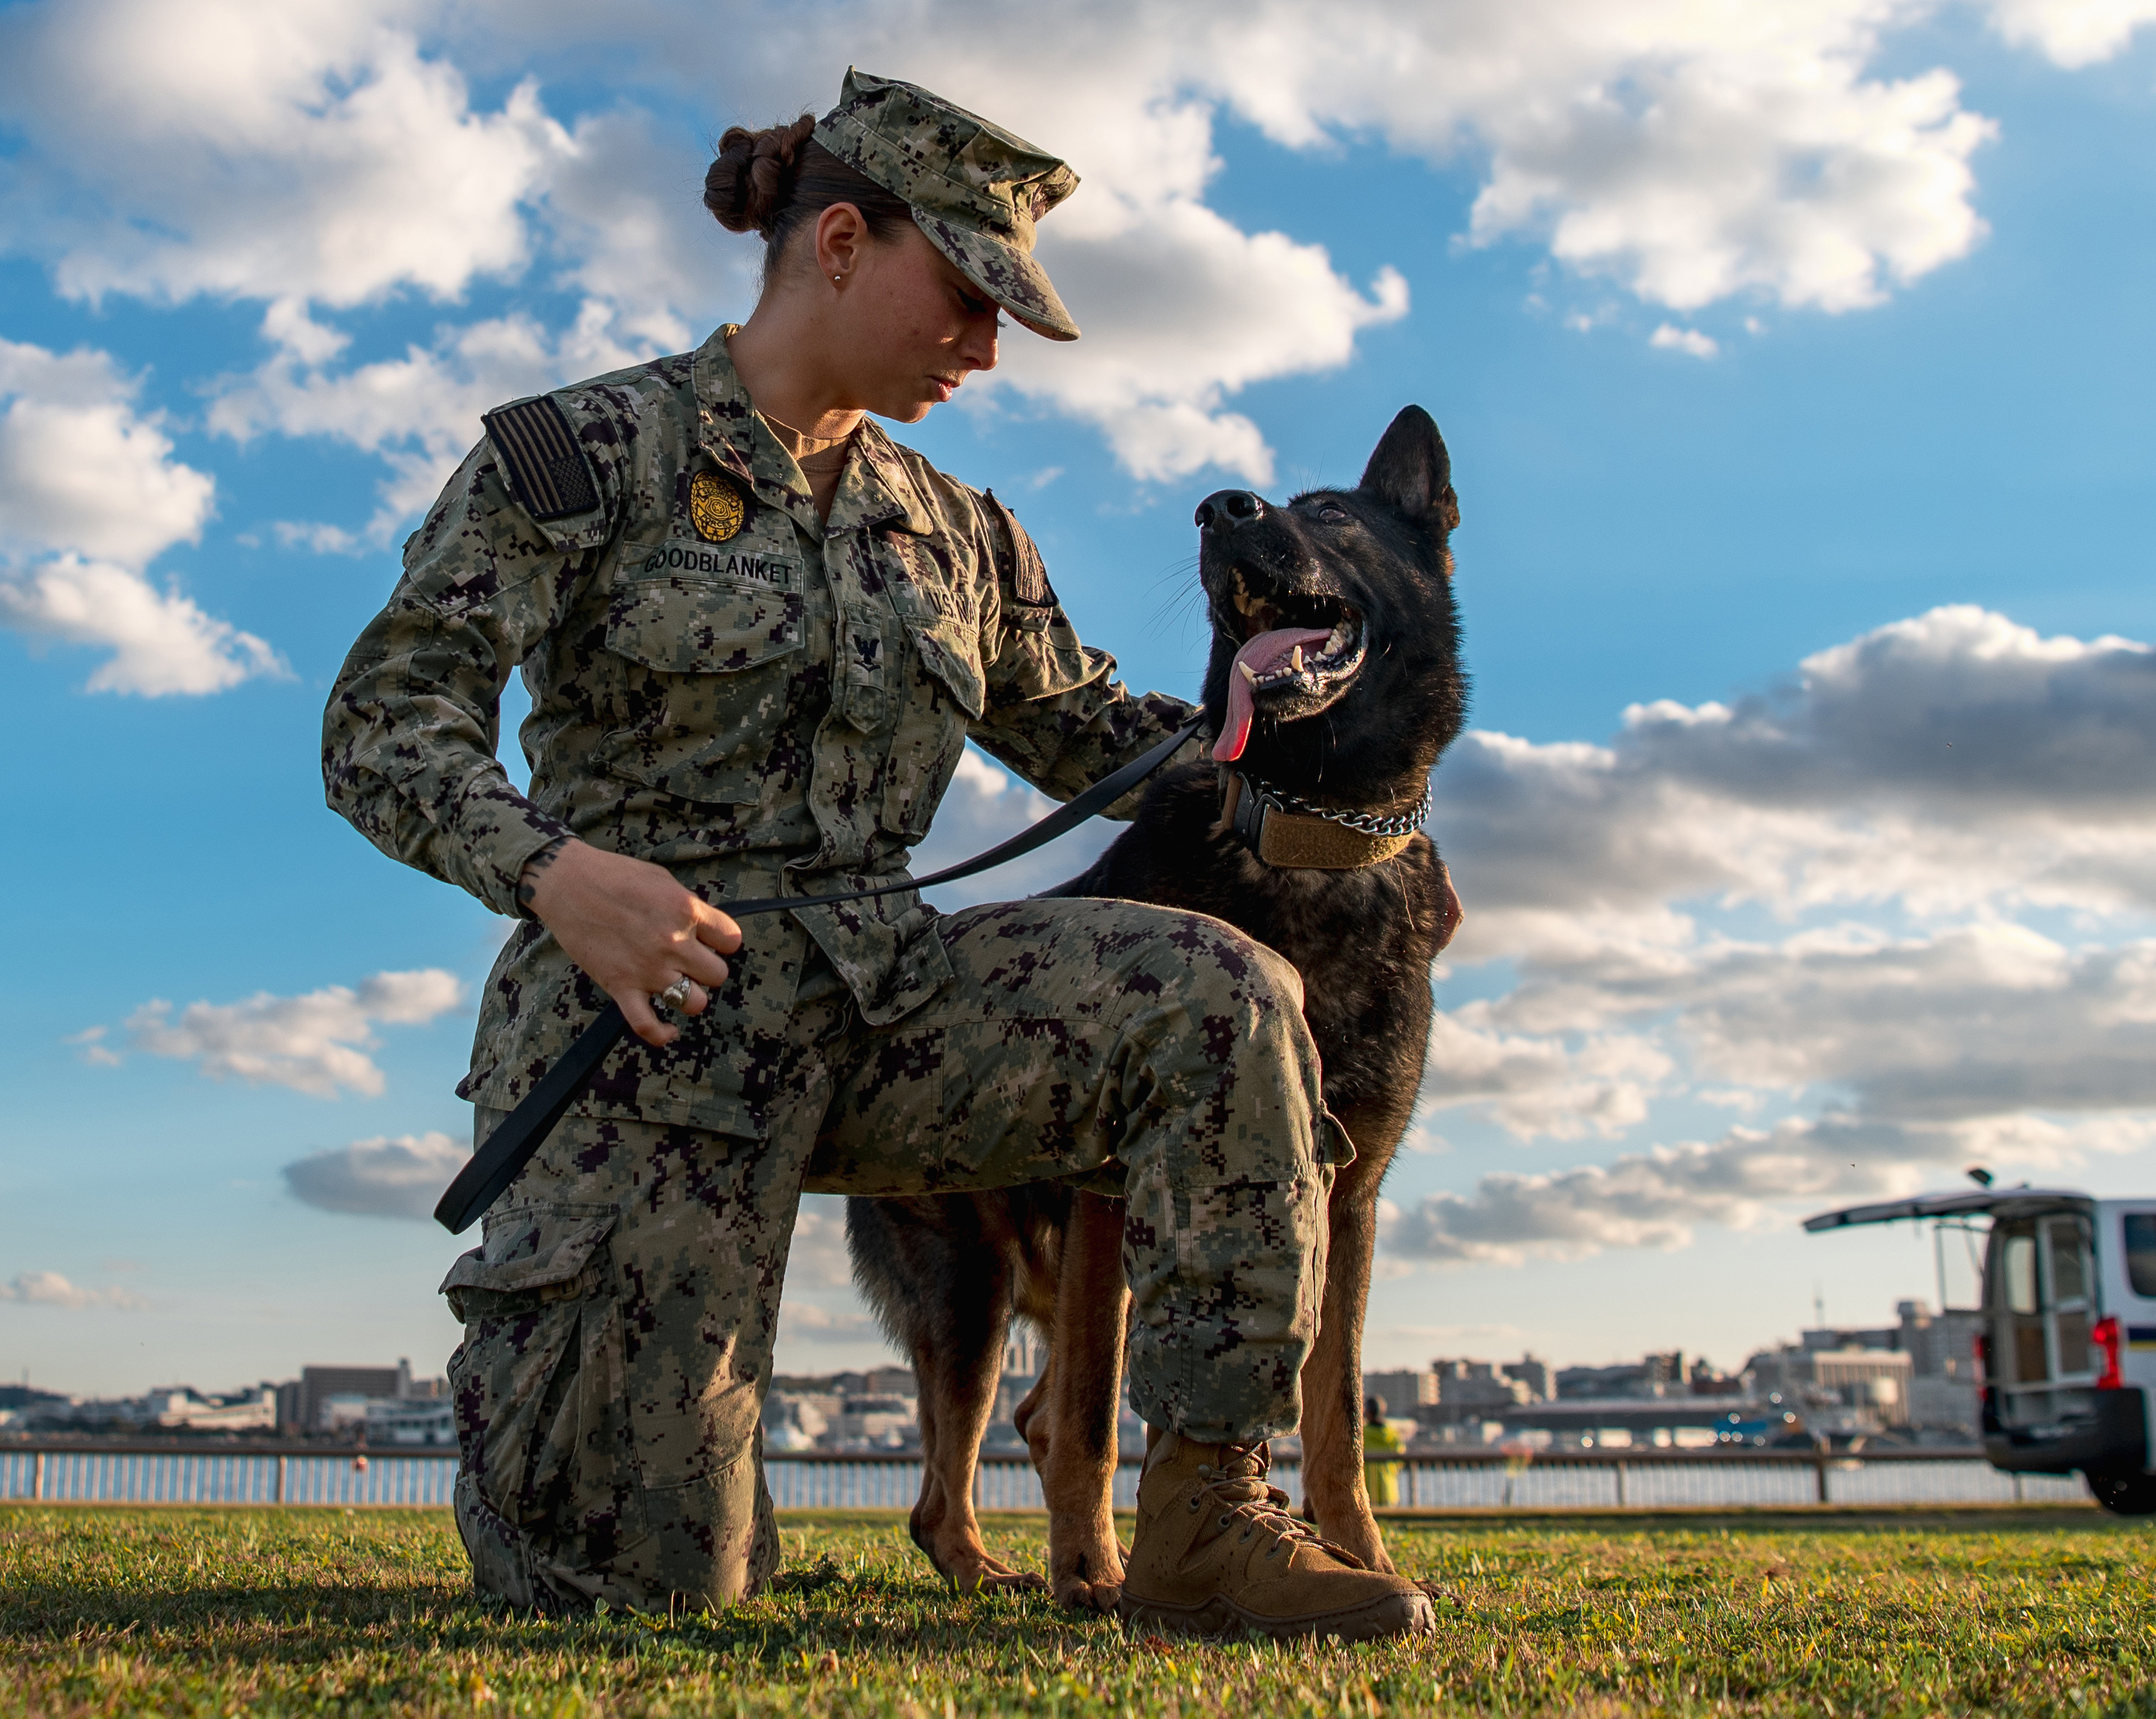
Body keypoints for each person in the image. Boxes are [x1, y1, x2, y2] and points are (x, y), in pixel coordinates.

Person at [322, 69, 1429, 1642]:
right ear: (840, 241)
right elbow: (382, 726)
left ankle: (1203, 1513)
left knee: (1224, 993)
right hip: (652, 1029)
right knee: (641, 1587)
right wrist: (564, 879)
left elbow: (1121, 745)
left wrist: (1368, 818)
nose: (987, 348)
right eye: (968, 297)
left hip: (893, 1004)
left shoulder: (959, 531)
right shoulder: (582, 456)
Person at [1363, 1396, 1406, 1509]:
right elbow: (1400, 1460)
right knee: (1388, 1524)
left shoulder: (1362, 1434)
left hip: (1367, 1489)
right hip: (1389, 1489)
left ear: (1367, 1412)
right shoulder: (1393, 1434)